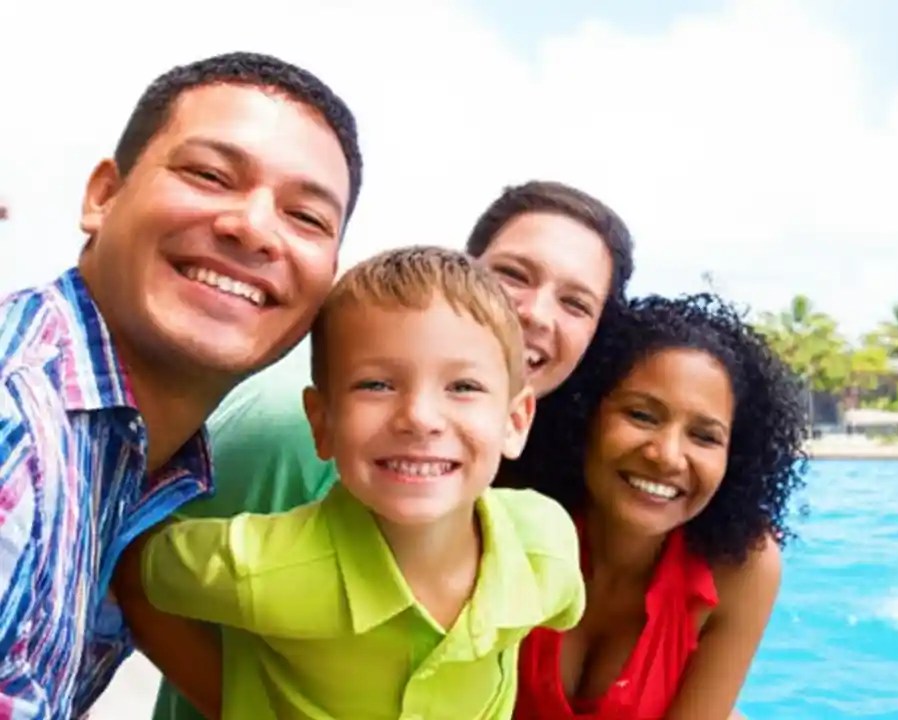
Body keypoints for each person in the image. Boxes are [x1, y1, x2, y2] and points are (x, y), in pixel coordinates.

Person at [147, 179, 635, 719]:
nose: (538, 314)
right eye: (513, 276)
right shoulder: (283, 444)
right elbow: (135, 569)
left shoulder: (541, 533)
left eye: (575, 303)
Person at [0, 51, 361, 718]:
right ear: (103, 195)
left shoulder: (139, 464)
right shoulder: (19, 433)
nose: (253, 228)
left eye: (306, 217)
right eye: (209, 175)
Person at [505, 292, 809, 720]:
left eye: (704, 437)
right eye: (641, 416)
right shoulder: (507, 518)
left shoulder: (741, 566)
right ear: (587, 414)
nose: (667, 455)